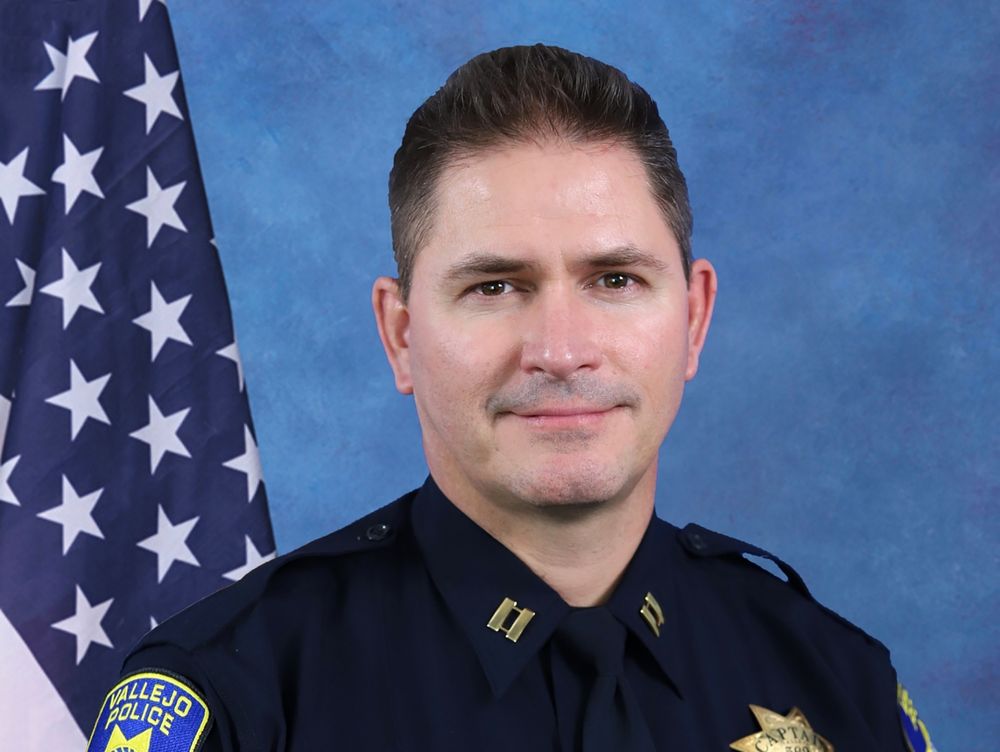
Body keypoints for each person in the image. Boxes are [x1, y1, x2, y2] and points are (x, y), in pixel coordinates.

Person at [86, 45, 935, 752]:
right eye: (495, 287)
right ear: (401, 334)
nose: (560, 352)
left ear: (695, 318)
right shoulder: (237, 698)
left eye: (615, 279)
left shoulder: (841, 682)